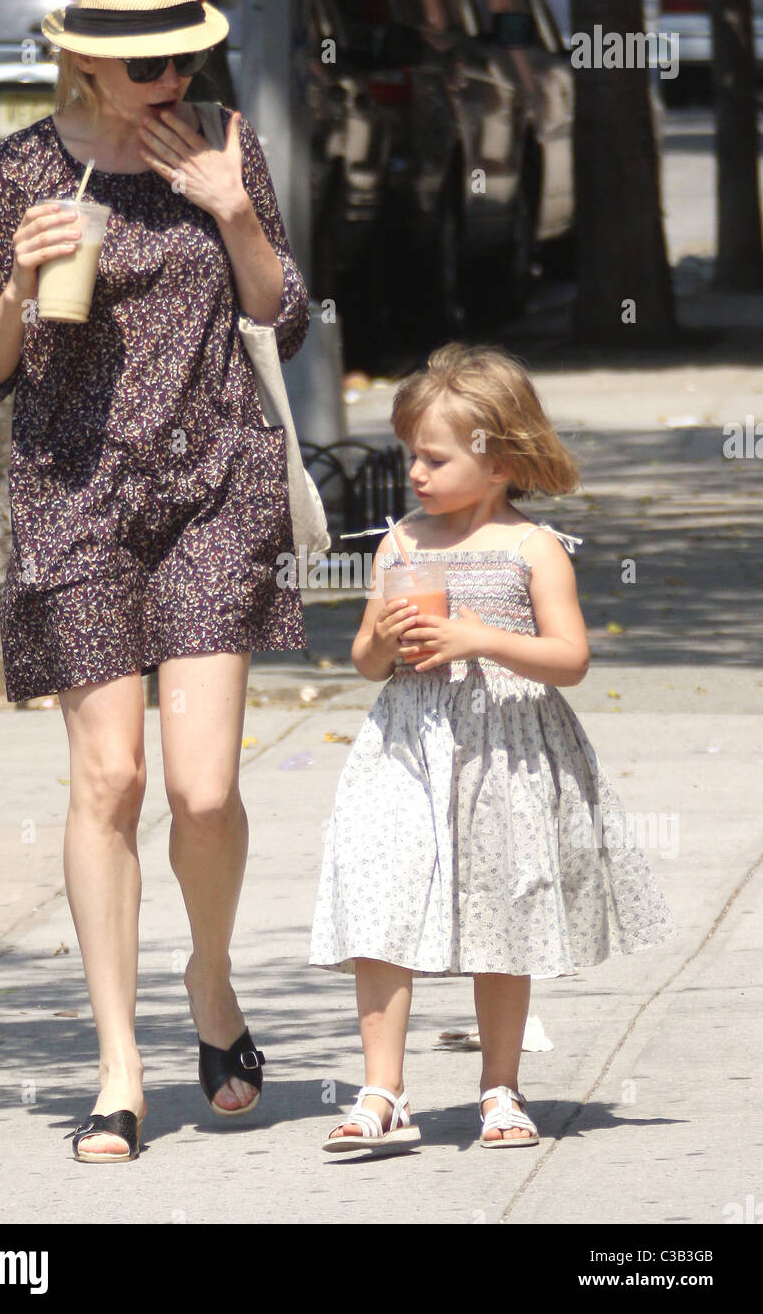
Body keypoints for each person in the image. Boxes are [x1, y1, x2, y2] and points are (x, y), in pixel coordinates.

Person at [0, 0, 311, 1161]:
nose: (170, 73)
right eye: (144, 58)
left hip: (213, 482)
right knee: (110, 781)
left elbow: (284, 312)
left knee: (204, 788)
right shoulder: (24, 170)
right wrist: (17, 282)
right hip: (75, 496)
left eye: (181, 52)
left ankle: (208, 979)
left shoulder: (221, 142)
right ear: (88, 66)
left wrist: (230, 209)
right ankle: (118, 1063)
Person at [309, 343, 676, 1153]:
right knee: (380, 899)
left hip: (506, 750)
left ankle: (501, 1088)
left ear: (501, 459)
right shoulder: (401, 543)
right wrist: (377, 635)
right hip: (407, 745)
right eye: (412, 454)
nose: (416, 472)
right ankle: (381, 1090)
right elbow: (370, 663)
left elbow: (570, 658)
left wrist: (482, 637)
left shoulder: (531, 549)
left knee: (501, 911)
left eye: (435, 457)